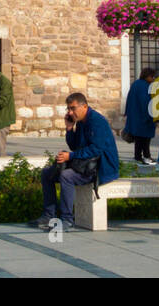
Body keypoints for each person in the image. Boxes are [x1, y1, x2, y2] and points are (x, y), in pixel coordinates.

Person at [34, 92, 120, 231]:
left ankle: (67, 220)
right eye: (68, 108)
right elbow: (75, 146)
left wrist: (71, 156)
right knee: (47, 173)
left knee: (66, 176)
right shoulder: (80, 122)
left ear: (84, 106)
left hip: (100, 167)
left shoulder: (97, 121)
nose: (70, 112)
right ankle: (49, 215)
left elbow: (96, 149)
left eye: (73, 108)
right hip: (84, 164)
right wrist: (69, 129)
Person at [124, 68, 157, 164]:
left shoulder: (135, 84)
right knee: (145, 138)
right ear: (147, 76)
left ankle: (138, 156)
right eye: (152, 76)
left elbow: (129, 99)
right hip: (143, 116)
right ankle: (147, 156)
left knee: (138, 138)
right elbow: (145, 102)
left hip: (134, 116)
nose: (153, 79)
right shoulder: (145, 86)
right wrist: (150, 116)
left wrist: (127, 113)